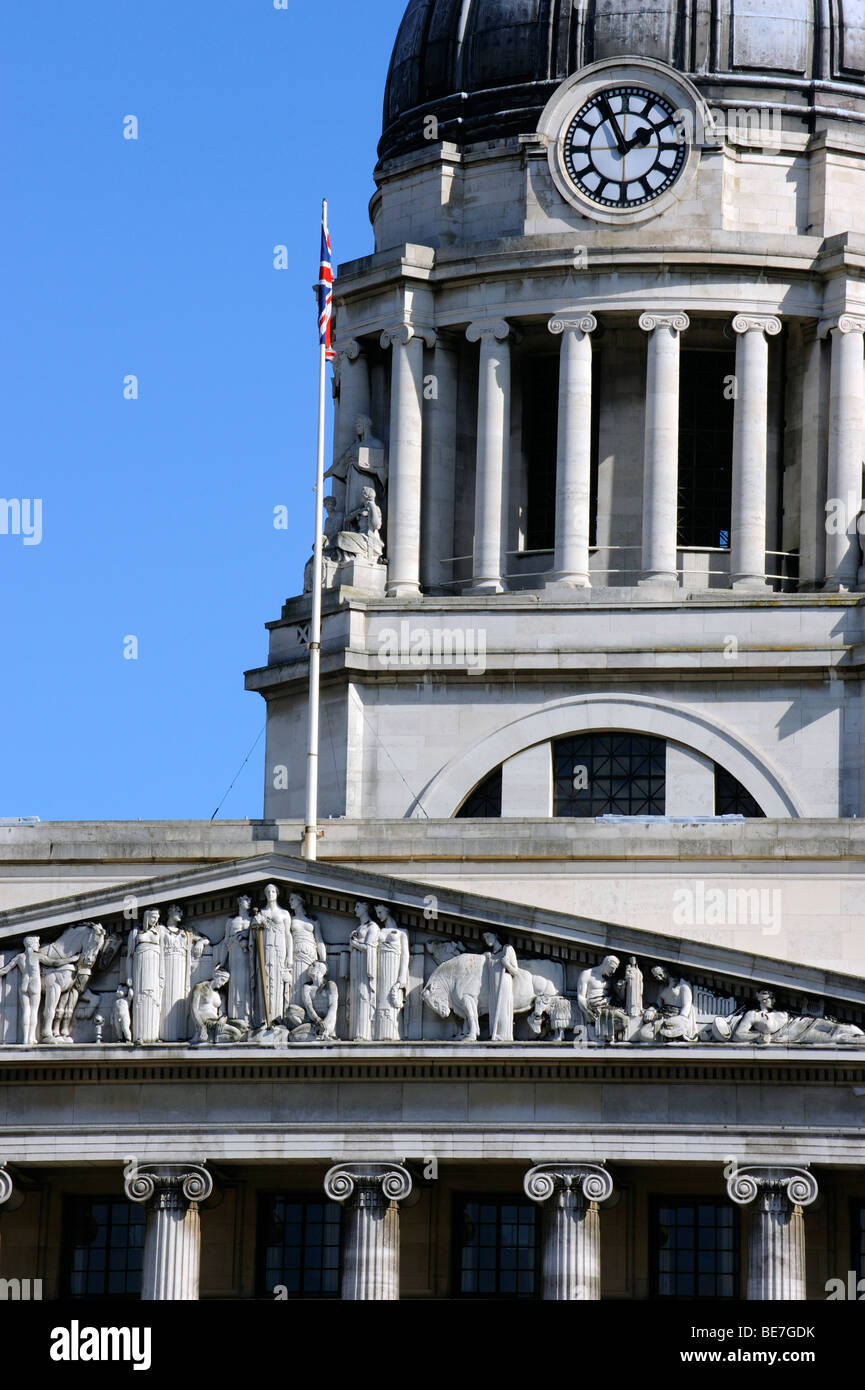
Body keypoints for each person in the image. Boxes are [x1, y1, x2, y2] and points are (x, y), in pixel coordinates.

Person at [373, 904, 409, 1040]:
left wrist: (401, 978)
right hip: (381, 966)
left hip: (394, 965)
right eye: (376, 912)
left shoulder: (402, 932)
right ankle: (381, 1032)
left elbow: (405, 955)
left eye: (380, 911)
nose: (378, 915)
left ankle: (392, 1032)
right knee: (382, 997)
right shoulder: (379, 930)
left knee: (392, 1000)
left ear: (388, 910)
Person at [0, 935, 44, 1046]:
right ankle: (31, 1037)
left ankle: (25, 1039)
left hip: (24, 984)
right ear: (31, 943)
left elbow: (5, 969)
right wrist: (72, 958)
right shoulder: (37, 956)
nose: (38, 945)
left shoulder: (20, 957)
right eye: (37, 942)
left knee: (26, 1011)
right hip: (34, 984)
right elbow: (54, 962)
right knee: (33, 1011)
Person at [349, 902, 379, 1041]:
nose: (355, 909)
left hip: (364, 965)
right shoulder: (359, 928)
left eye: (358, 907)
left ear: (366, 908)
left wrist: (353, 943)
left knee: (363, 994)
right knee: (355, 995)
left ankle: (364, 1033)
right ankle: (355, 1032)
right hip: (356, 963)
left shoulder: (372, 926)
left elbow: (370, 947)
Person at [483, 931, 519, 1042]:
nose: (486, 939)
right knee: (493, 1010)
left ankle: (504, 1035)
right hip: (493, 985)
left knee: (503, 1009)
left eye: (488, 936)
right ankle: (494, 1032)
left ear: (496, 935)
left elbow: (515, 971)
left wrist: (506, 964)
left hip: (504, 983)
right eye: (484, 937)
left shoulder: (507, 949)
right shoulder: (490, 955)